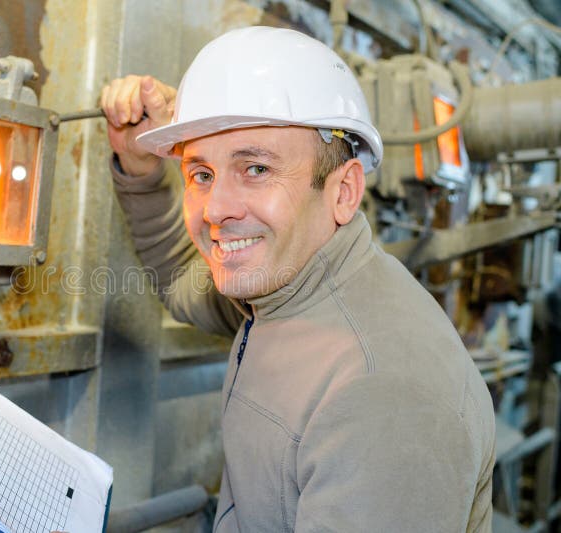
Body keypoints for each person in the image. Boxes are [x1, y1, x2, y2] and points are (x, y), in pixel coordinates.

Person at [100, 26, 495, 532]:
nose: (216, 210)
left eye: (256, 169)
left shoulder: (386, 396)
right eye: (202, 174)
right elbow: (183, 279)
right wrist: (140, 171)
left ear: (343, 191)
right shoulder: (286, 290)